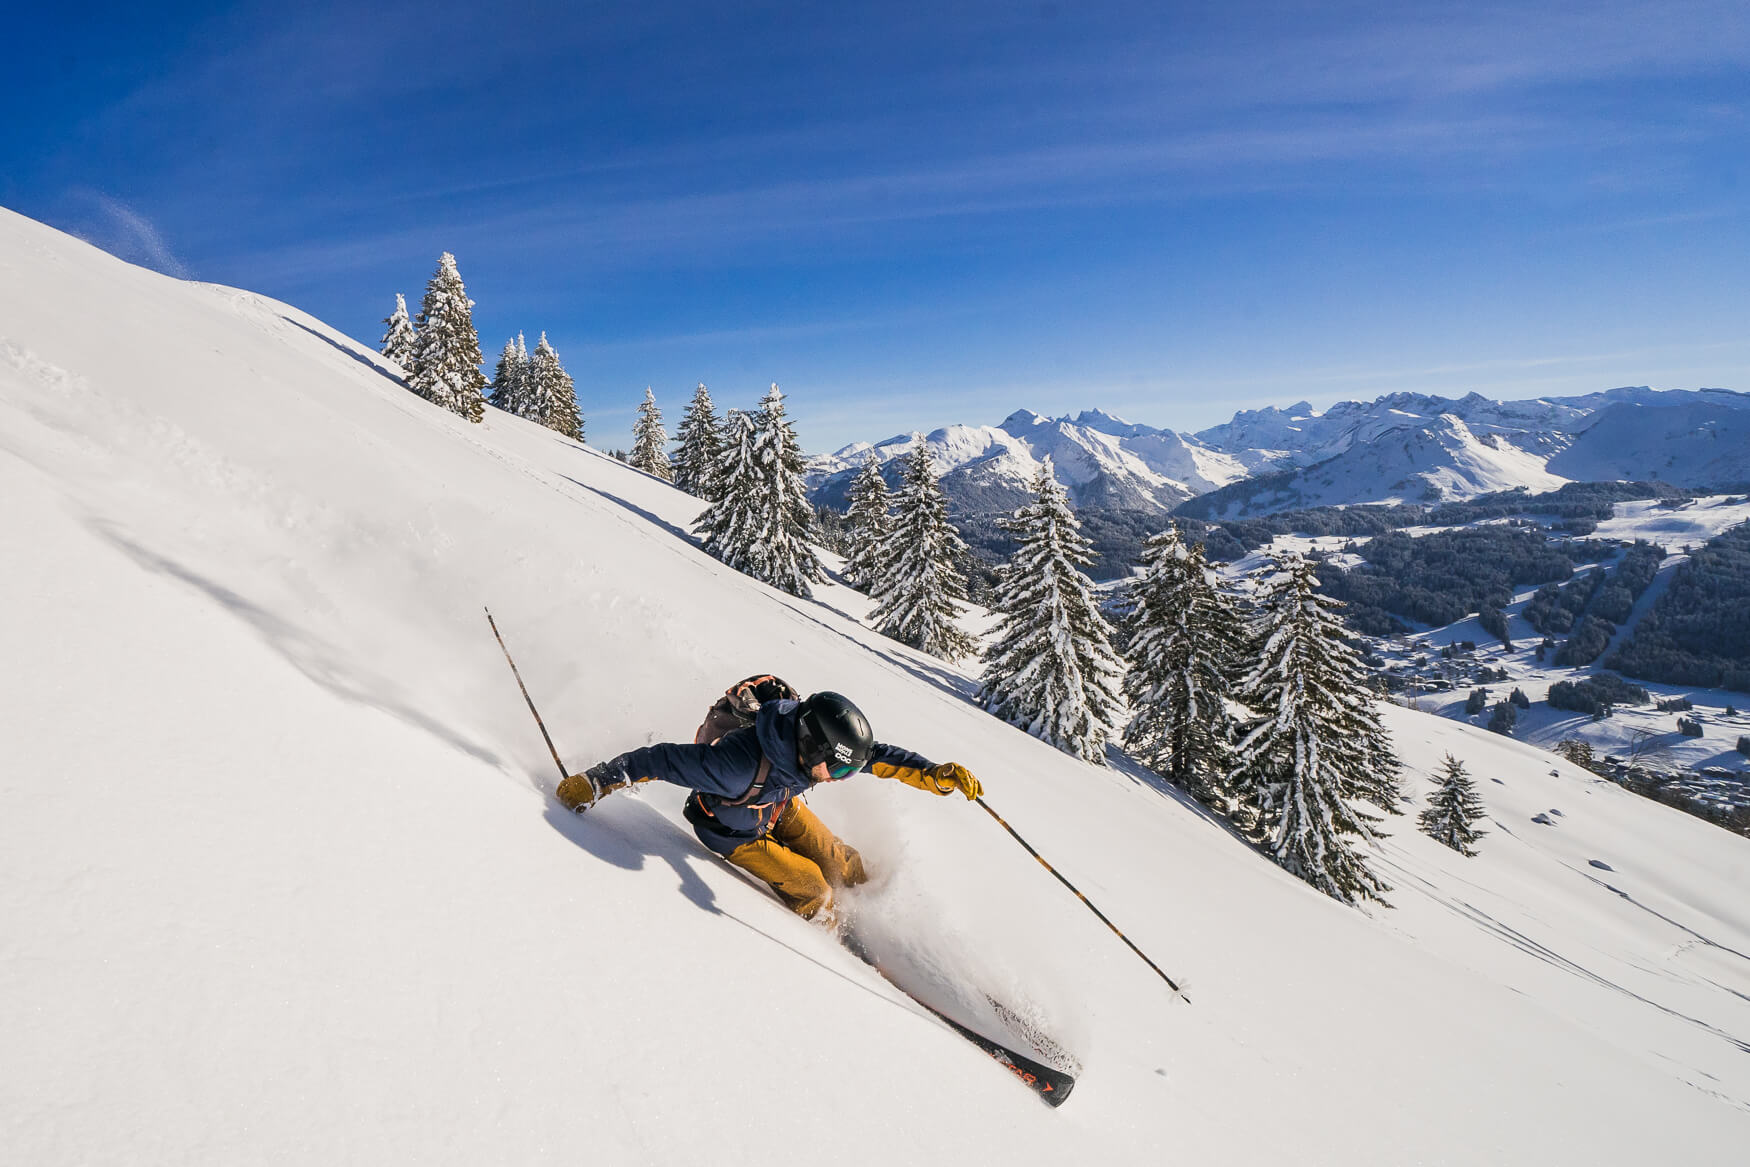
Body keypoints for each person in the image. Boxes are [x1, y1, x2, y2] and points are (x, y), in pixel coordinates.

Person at [558, 680, 982, 923]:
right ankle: (829, 928)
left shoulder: (801, 751)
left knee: (839, 861)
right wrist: (595, 782)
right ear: (812, 750)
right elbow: (659, 760)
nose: (842, 778)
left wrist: (934, 775)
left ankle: (872, 900)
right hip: (734, 831)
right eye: (837, 771)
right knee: (815, 885)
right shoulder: (733, 766)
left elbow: (874, 758)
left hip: (775, 804)